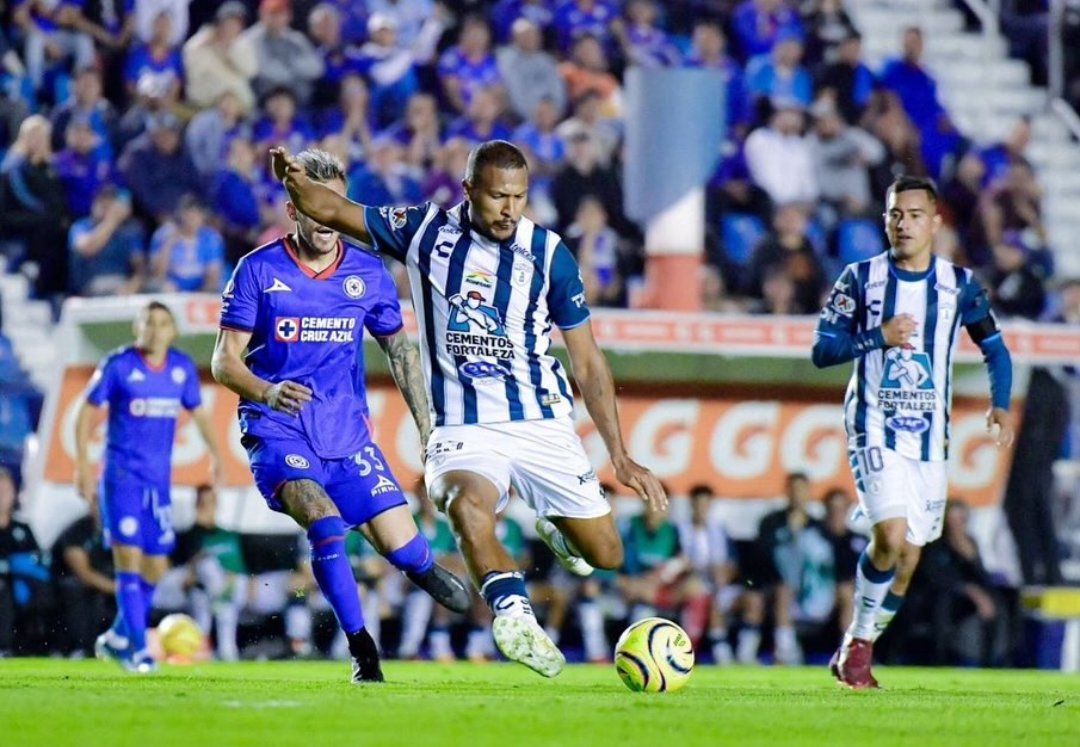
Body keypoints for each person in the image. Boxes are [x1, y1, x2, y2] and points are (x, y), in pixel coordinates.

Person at [270, 138, 666, 679]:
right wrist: (292, 177)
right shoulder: (424, 231)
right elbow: (332, 208)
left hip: (540, 421)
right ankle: (514, 614)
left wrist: (619, 454)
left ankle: (555, 521)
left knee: (607, 555)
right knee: (462, 501)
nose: (509, 209)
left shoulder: (550, 255)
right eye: (497, 196)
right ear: (468, 191)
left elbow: (589, 361)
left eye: (519, 197)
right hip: (462, 426)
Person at [210, 148, 470, 683]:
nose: (326, 219)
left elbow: (402, 354)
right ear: (294, 210)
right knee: (326, 524)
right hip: (277, 428)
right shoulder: (258, 270)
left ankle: (419, 565)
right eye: (315, 206)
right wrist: (265, 390)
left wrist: (428, 431)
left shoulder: (368, 274)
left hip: (348, 437)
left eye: (337, 206)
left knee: (406, 550)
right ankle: (362, 649)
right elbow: (223, 361)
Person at [812, 175, 1014, 688]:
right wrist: (877, 336)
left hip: (928, 443)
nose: (904, 224)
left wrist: (1002, 403)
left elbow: (995, 346)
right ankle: (857, 648)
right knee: (891, 536)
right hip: (872, 427)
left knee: (907, 559)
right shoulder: (859, 279)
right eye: (895, 214)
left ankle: (858, 645)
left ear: (935, 222)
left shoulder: (959, 285)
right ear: (885, 220)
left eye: (915, 215)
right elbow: (823, 351)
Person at [74, 301, 223, 673]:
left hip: (159, 482)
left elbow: (200, 413)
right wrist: (82, 464)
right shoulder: (119, 364)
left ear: (173, 331)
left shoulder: (181, 369)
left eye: (162, 323)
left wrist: (218, 454)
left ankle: (119, 635)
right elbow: (87, 411)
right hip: (122, 476)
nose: (155, 330)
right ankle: (139, 650)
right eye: (148, 323)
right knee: (129, 558)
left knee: (157, 566)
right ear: (137, 329)